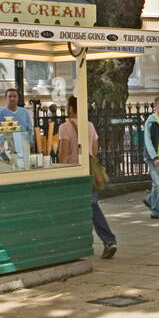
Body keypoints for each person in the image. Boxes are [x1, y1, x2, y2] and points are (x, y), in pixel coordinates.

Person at [59, 96, 115, 259]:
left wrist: (62, 170)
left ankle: (75, 243)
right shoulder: (89, 126)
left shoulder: (65, 127)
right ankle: (108, 240)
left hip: (72, 172)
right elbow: (95, 149)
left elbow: (63, 152)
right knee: (92, 206)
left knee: (75, 207)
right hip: (88, 173)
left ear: (70, 108)